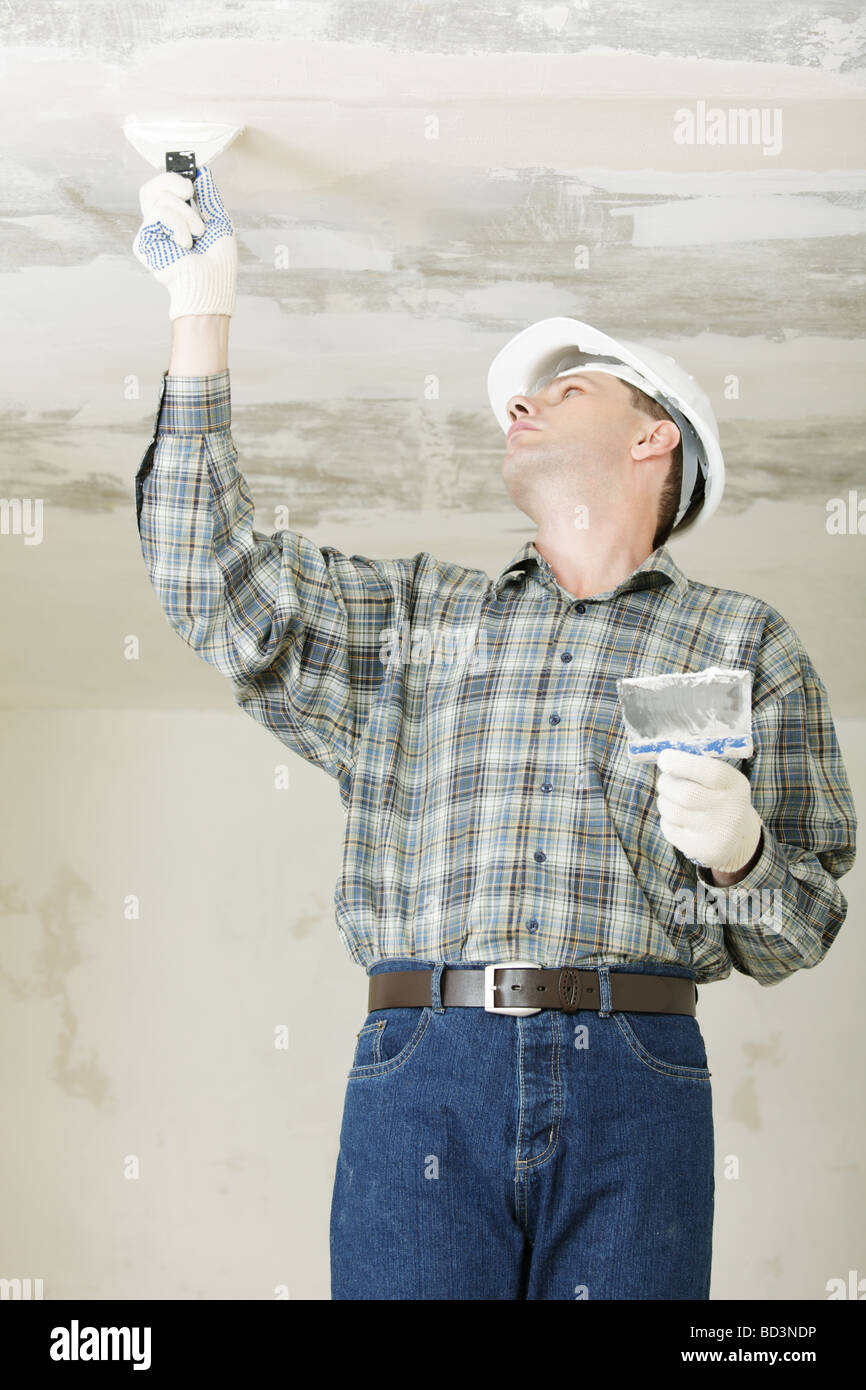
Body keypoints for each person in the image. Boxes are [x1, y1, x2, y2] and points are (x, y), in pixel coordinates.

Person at [132, 167, 856, 1300]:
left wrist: (741, 854)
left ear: (652, 435)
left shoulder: (740, 640)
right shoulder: (422, 616)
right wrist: (199, 309)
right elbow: (208, 582)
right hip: (427, 1066)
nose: (518, 403)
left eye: (564, 387)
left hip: (638, 1077)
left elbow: (796, 928)